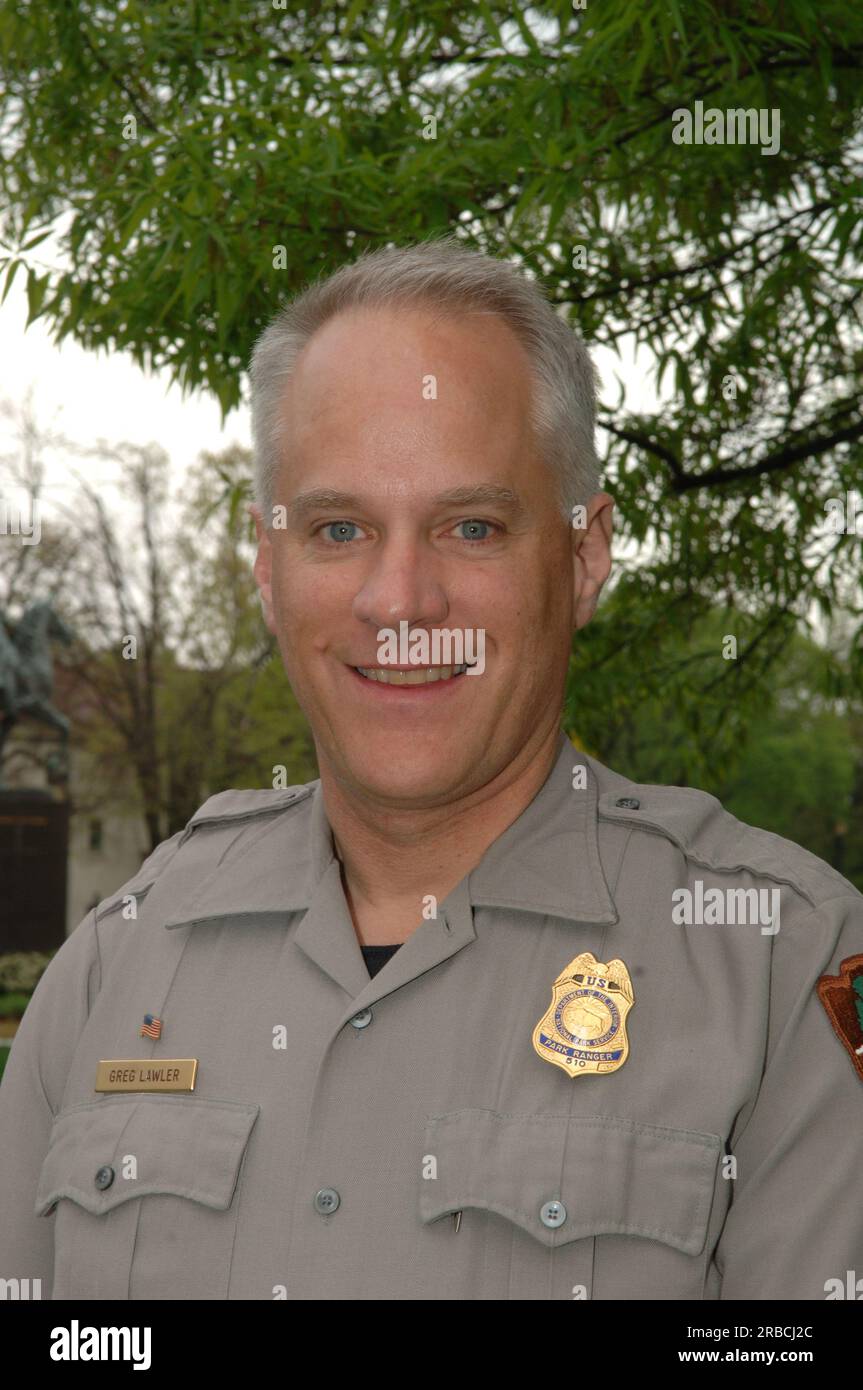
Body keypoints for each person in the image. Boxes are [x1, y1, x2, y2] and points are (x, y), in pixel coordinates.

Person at [1, 238, 860, 1301]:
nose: (399, 601)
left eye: (470, 525)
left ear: (583, 556)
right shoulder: (112, 970)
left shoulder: (777, 970)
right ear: (269, 570)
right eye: (339, 527)